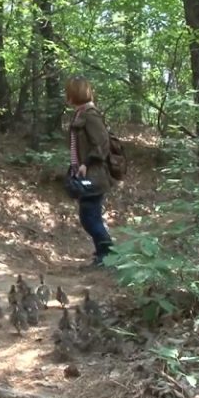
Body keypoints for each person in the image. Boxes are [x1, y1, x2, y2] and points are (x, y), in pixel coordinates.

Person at [65, 75, 114, 268]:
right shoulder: (80, 113)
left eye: (69, 92)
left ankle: (108, 255)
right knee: (89, 216)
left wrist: (86, 163)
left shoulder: (90, 114)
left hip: (94, 175)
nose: (66, 96)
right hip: (84, 174)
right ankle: (103, 253)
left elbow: (102, 143)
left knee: (90, 217)